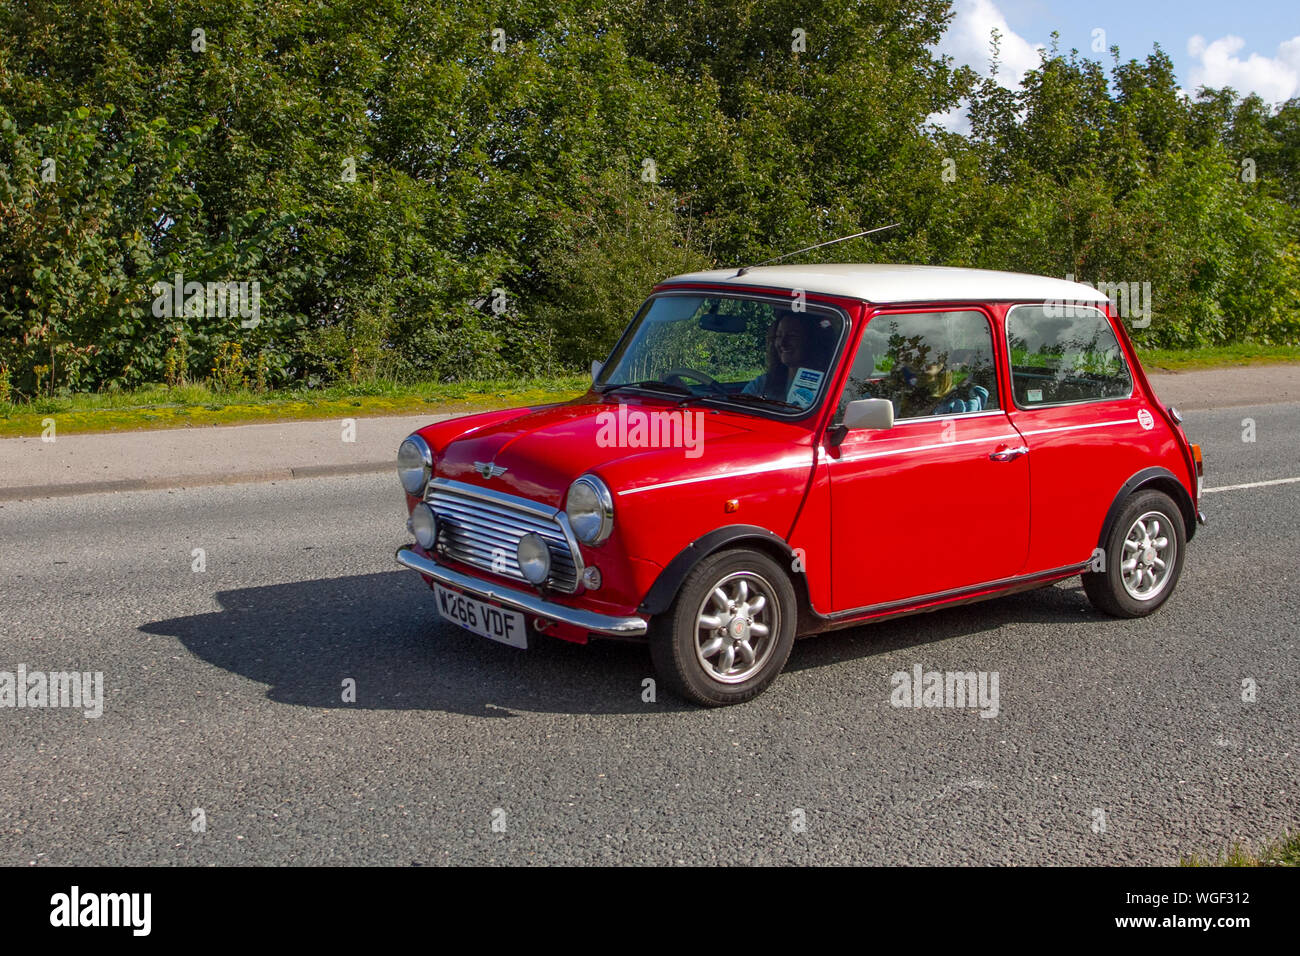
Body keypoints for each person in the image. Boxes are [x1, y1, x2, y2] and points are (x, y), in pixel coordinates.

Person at [743, 309, 834, 407]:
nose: (783, 343)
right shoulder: (764, 383)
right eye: (779, 336)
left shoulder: (827, 385)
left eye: (792, 336)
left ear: (811, 340)